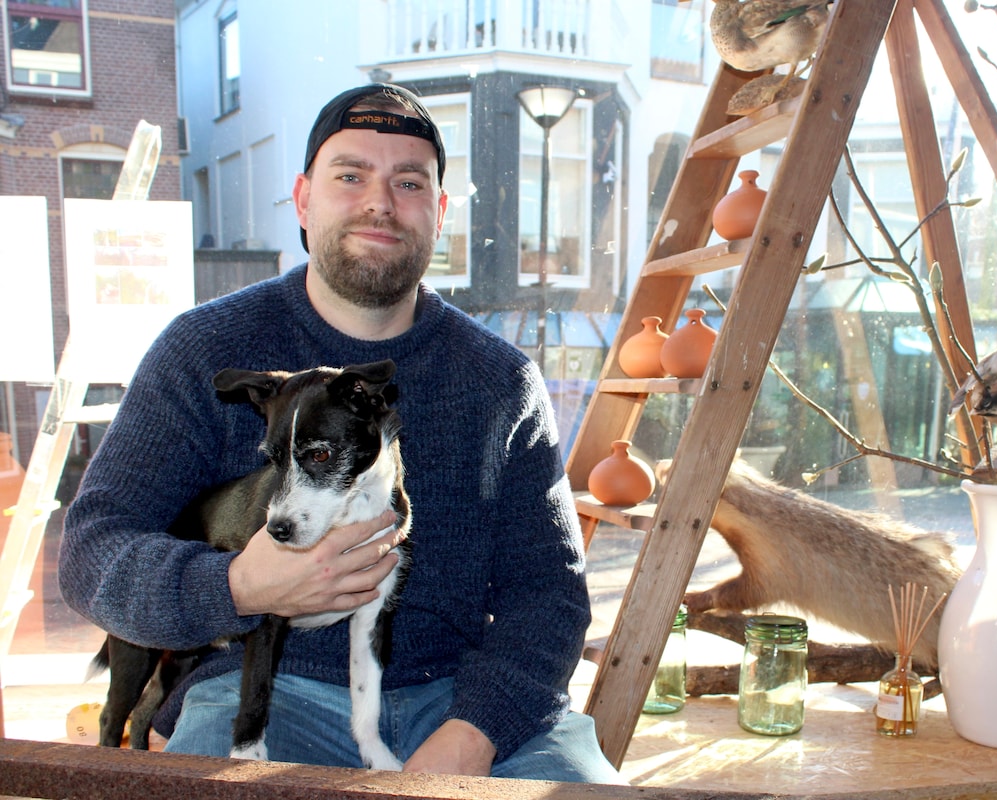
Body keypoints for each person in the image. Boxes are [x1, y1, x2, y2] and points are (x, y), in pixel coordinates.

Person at [59, 83, 624, 784]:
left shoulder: (500, 382)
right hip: (257, 702)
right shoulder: (202, 352)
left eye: (408, 181)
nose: (379, 200)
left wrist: (470, 738)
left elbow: (550, 595)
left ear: (439, 213)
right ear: (302, 200)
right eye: (351, 175)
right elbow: (93, 553)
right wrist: (236, 586)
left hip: (458, 703)